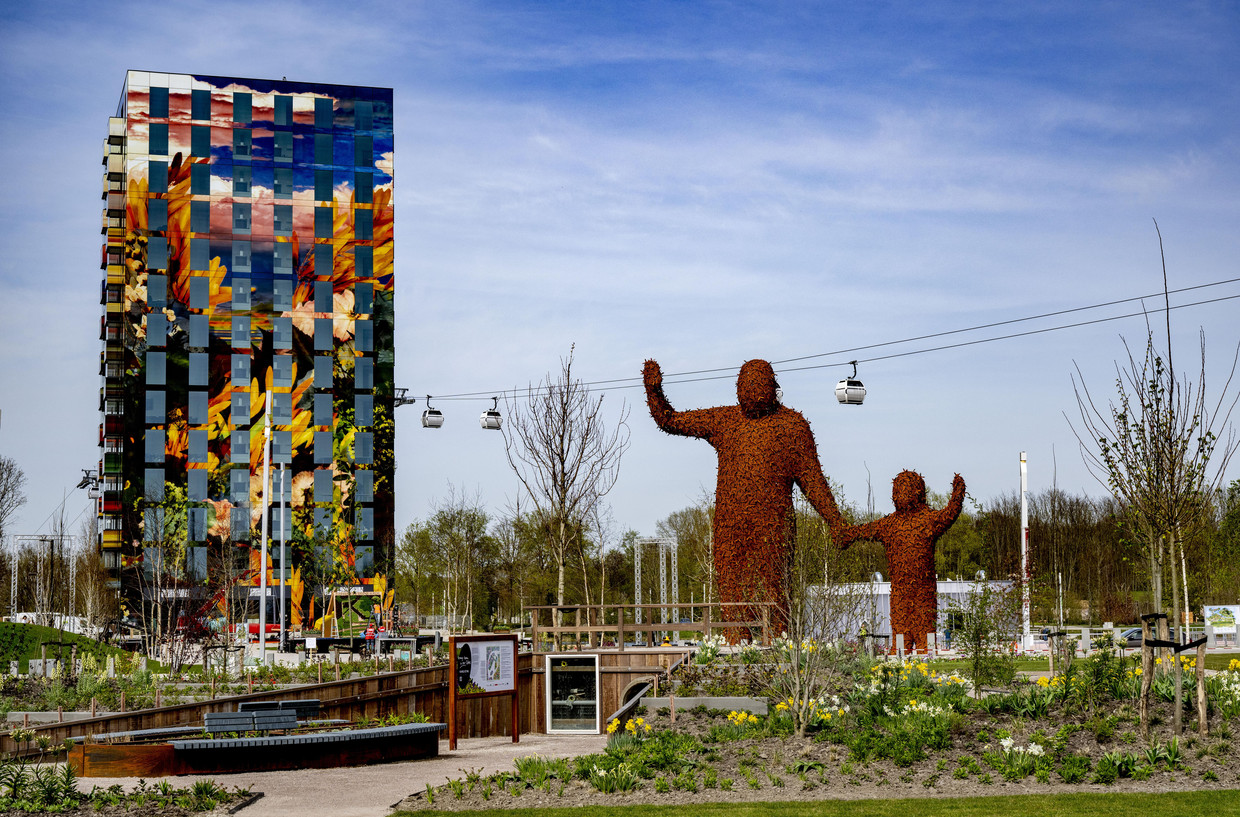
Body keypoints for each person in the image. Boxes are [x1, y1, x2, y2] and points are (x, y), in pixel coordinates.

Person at [644, 358, 847, 635]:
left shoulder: (791, 426)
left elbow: (812, 480)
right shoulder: (726, 421)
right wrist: (653, 390)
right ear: (739, 387)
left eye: (758, 382)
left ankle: (775, 646)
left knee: (774, 597)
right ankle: (739, 642)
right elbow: (670, 420)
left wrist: (836, 522)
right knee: (734, 600)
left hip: (772, 530)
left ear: (773, 387)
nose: (752, 389)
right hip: (732, 531)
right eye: (746, 383)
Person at [836, 470, 965, 651]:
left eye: (906, 489)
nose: (903, 494)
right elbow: (861, 531)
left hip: (922, 594)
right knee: (902, 642)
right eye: (900, 490)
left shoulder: (921, 520)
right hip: (903, 595)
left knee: (922, 642)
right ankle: (906, 664)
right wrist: (957, 495)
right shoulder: (893, 524)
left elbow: (949, 513)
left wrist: (957, 495)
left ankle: (920, 663)